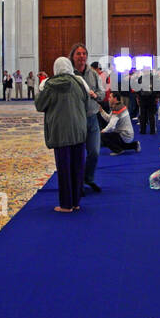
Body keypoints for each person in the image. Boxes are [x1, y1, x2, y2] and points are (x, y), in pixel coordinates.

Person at [35, 56, 89, 213]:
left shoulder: (50, 85)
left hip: (60, 131)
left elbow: (40, 105)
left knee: (64, 168)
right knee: (78, 166)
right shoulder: (79, 82)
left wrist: (42, 88)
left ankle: (66, 204)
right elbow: (85, 100)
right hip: (79, 130)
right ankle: (76, 202)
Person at [70, 43, 105, 194]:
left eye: (84, 53)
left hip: (92, 118)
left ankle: (88, 179)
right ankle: (77, 183)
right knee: (77, 154)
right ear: (72, 56)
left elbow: (102, 93)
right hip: (76, 120)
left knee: (94, 152)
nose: (82, 56)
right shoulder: (69, 74)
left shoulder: (93, 73)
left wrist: (95, 95)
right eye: (78, 54)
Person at [136, 68, 157, 135]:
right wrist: (155, 97)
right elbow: (156, 89)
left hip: (143, 99)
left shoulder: (140, 78)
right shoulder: (154, 78)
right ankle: (152, 130)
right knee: (151, 115)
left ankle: (143, 130)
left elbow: (138, 89)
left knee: (143, 115)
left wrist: (138, 98)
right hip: (151, 99)